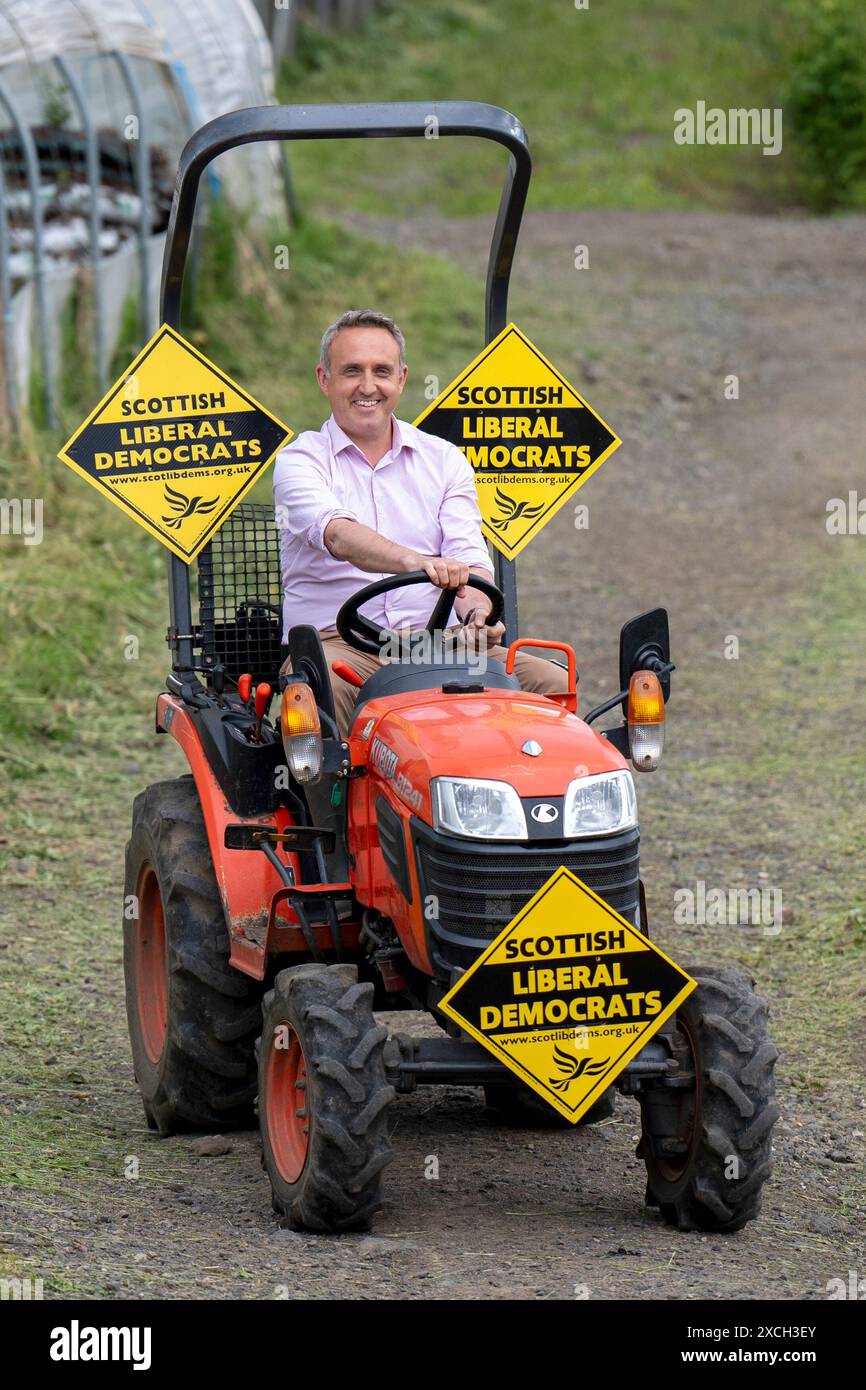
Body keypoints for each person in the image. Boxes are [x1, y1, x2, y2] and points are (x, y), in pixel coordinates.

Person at [273, 309, 569, 737]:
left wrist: (478, 618)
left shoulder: (443, 459)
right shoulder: (301, 461)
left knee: (553, 683)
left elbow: (469, 559)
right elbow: (337, 534)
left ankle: (535, 798)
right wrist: (421, 563)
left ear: (402, 379)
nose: (368, 386)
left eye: (382, 371)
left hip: (440, 643)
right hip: (341, 644)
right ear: (325, 379)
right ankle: (338, 802)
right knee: (324, 687)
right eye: (352, 371)